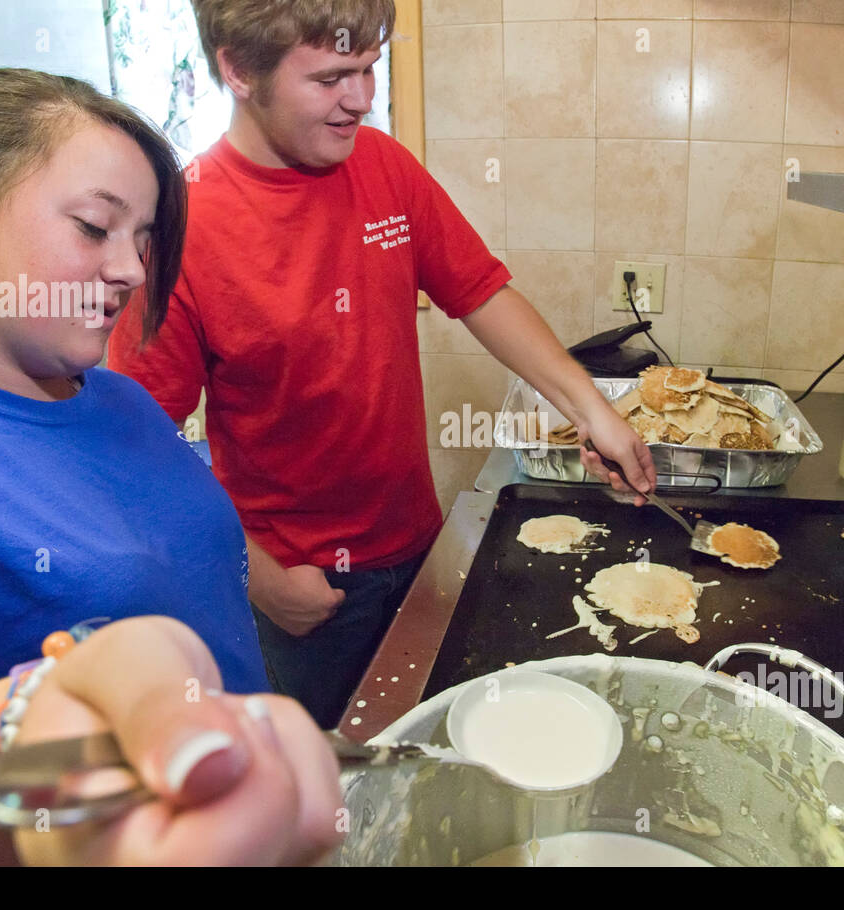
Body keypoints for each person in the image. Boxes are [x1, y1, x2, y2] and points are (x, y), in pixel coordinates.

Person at [109, 0, 658, 729]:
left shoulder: (383, 166)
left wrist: (597, 413)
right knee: (332, 795)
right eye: (333, 77)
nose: (362, 99)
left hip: (419, 550)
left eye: (370, 69)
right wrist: (261, 580)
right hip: (305, 594)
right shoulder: (182, 229)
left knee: (423, 752)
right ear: (238, 70)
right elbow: (135, 455)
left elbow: (481, 292)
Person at [0, 69, 340, 864]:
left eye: (142, 238)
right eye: (93, 227)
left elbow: (192, 558)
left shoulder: (121, 403)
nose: (135, 272)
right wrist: (28, 721)